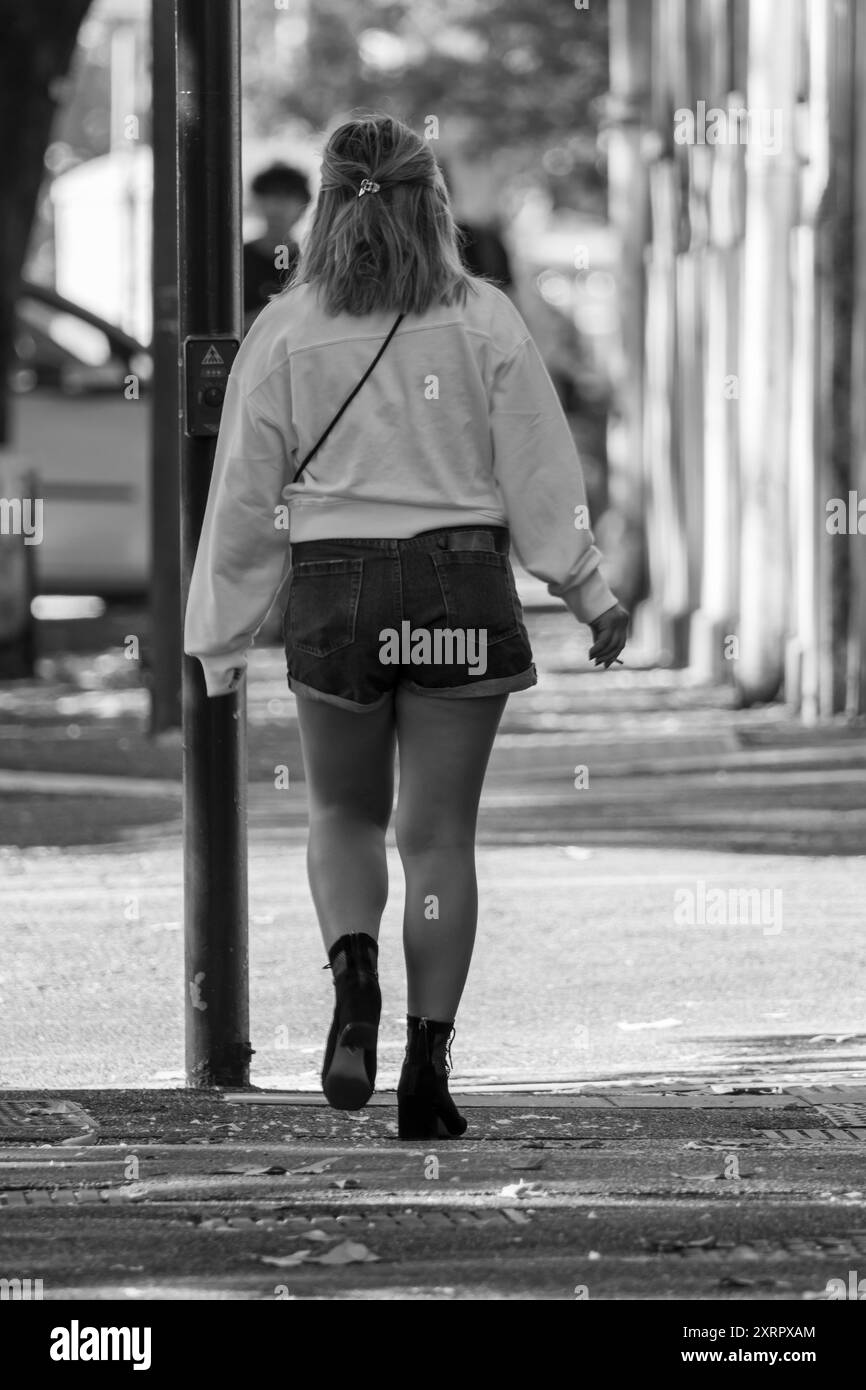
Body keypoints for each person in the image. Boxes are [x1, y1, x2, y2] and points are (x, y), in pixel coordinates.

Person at [184, 114, 628, 1140]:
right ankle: (427, 1067)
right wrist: (586, 590)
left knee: (342, 812)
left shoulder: (285, 329)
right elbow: (537, 471)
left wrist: (218, 636)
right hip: (457, 586)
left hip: (336, 586)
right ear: (433, 204)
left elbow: (246, 497)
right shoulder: (482, 318)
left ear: (327, 208)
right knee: (436, 839)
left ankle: (354, 984)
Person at [243, 163, 311, 329]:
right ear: (257, 202)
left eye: (287, 197)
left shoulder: (311, 264)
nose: (277, 207)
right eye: (271, 196)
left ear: (304, 206)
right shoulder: (237, 261)